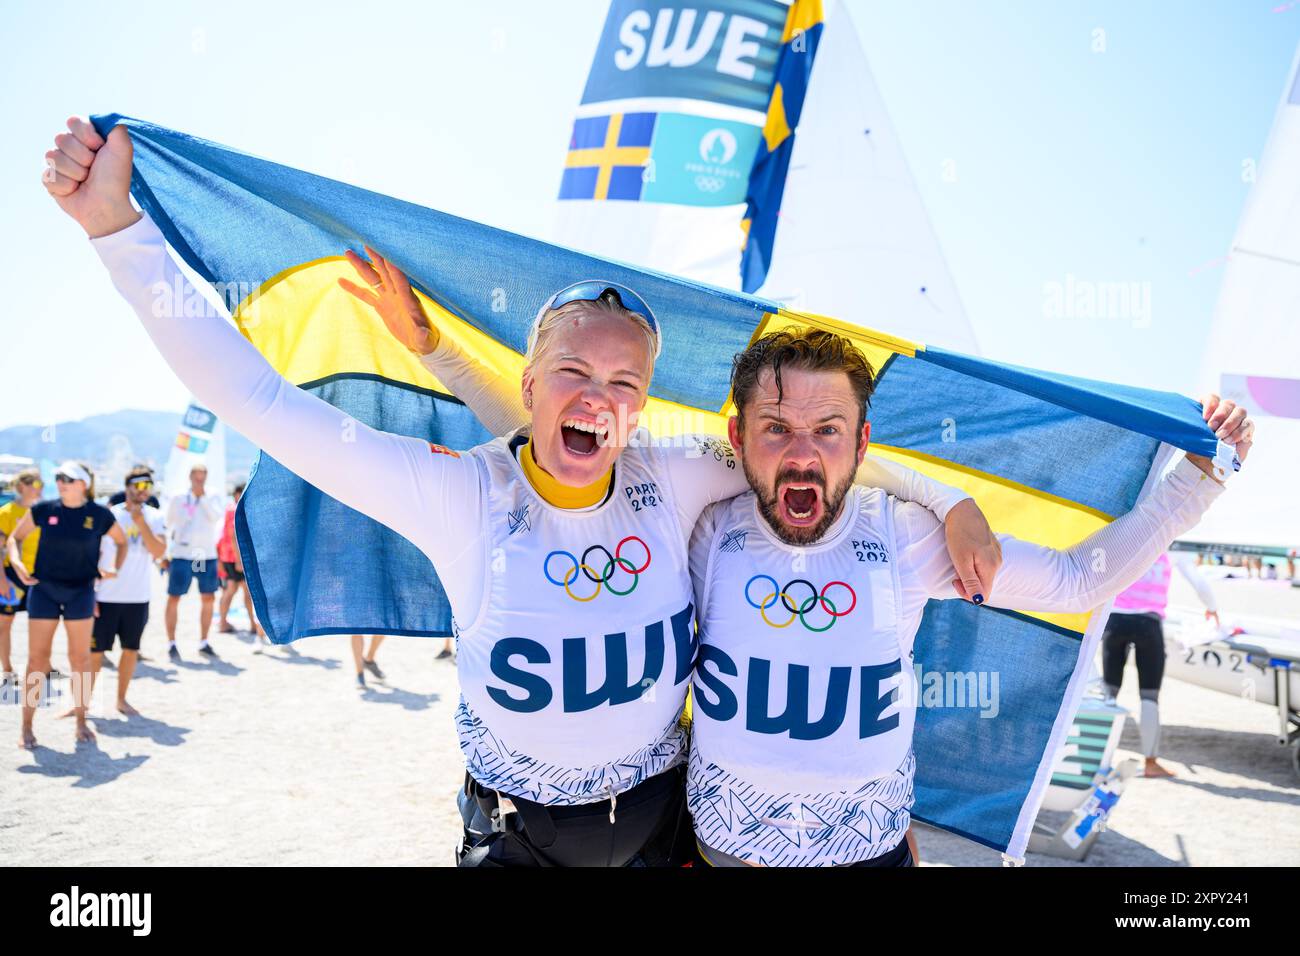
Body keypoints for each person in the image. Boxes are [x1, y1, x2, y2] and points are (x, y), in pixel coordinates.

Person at [46, 117, 1000, 866]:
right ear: (534, 387)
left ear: (641, 411)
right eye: (574, 374)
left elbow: (807, 448)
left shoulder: (670, 474)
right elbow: (256, 397)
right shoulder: (460, 497)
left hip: (665, 828)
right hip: (518, 839)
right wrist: (116, 233)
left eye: (625, 385)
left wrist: (951, 503)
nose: (599, 399)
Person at [682, 329, 1250, 866]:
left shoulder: (900, 534)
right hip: (725, 849)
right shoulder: (701, 531)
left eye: (829, 429)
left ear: (861, 443)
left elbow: (1080, 579)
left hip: (867, 853)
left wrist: (1200, 478)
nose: (802, 455)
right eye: (775, 428)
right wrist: (944, 494)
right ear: (738, 436)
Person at [6, 461, 127, 748]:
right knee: (37, 660)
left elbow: (122, 543)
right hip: (45, 590)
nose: (61, 482)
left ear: (83, 484)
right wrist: (17, 561)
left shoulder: (99, 515)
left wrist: (112, 570)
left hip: (81, 591)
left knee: (80, 659)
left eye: (68, 479)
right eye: (59, 477)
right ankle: (26, 726)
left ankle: (81, 721)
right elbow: (14, 539)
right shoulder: (44, 509)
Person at [1102, 551, 1219, 778]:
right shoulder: (1174, 546)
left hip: (1114, 620)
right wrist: (1212, 607)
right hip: (1148, 623)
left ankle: (1098, 762)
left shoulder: (1129, 536)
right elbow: (1199, 582)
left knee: (1108, 695)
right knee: (1149, 697)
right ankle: (1151, 764)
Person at [87, 464, 167, 716]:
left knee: (130, 650)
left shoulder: (154, 516)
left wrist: (140, 522)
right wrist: (91, 591)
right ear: (127, 487)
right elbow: (91, 553)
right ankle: (81, 704)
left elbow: (159, 552)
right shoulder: (109, 514)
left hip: (138, 596)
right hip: (105, 595)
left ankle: (121, 700)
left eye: (147, 486)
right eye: (139, 485)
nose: (143, 490)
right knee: (93, 653)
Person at [164, 464, 226, 661]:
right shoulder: (178, 497)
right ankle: (171, 642)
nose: (199, 481)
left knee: (208, 597)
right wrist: (165, 553)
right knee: (175, 597)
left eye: (202, 477)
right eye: (196, 478)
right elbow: (168, 524)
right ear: (190, 477)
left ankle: (204, 641)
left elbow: (216, 517)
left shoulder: (213, 495)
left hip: (203, 555)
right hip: (182, 554)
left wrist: (202, 497)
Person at [0, 469, 44, 693]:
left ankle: (42, 667)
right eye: (35, 483)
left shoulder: (43, 511)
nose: (40, 487)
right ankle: (7, 670)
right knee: (5, 624)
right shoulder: (7, 512)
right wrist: (1, 579)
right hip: (12, 576)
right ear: (22, 486)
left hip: (39, 576)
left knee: (41, 624)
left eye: (41, 483)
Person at [216, 482, 267, 650]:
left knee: (233, 590)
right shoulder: (235, 509)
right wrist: (239, 560)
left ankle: (226, 622)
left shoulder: (232, 508)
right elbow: (232, 536)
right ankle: (251, 624)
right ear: (238, 494)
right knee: (241, 591)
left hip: (228, 556)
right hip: (234, 557)